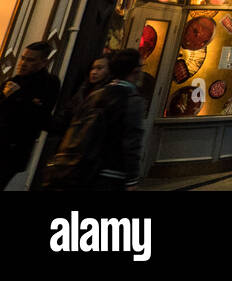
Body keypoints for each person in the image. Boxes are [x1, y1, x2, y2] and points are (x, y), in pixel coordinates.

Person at [42, 49, 145, 192]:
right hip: (111, 173)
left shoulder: (95, 95)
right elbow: (132, 140)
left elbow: (75, 129)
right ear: (135, 71)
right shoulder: (132, 100)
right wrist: (132, 178)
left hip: (81, 167)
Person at [0, 41, 61, 190]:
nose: (23, 63)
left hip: (14, 150)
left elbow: (41, 118)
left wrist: (18, 96)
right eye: (23, 58)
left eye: (30, 60)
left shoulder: (49, 83)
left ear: (44, 62)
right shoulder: (13, 81)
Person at [50, 56, 111, 137]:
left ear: (109, 71)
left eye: (99, 68)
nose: (94, 72)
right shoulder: (83, 89)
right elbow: (68, 111)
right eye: (92, 68)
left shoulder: (106, 93)